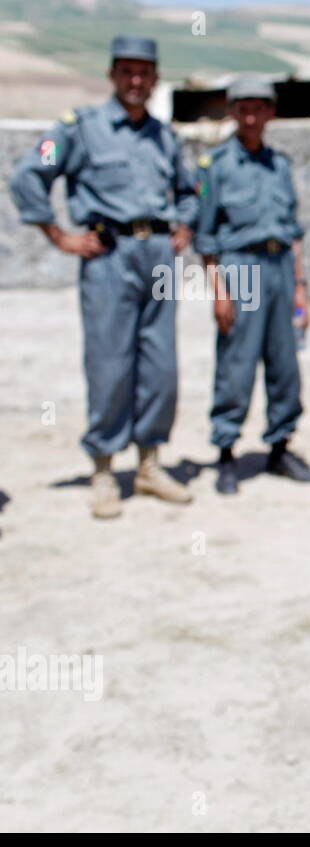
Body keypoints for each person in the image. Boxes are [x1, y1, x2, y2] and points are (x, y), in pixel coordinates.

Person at [10, 35, 197, 519]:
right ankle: (103, 470)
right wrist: (59, 235)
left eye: (145, 73)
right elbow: (29, 174)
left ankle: (151, 464)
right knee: (110, 364)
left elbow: (189, 189)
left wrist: (184, 224)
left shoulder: (165, 136)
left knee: (160, 366)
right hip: (109, 256)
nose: (136, 81)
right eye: (127, 71)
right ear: (113, 75)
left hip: (158, 256)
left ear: (155, 80)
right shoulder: (80, 129)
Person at [193, 76, 310, 495]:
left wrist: (301, 287)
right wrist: (219, 291)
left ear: (271, 113)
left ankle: (280, 447)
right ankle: (226, 453)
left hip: (280, 266)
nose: (250, 115)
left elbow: (294, 231)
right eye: (242, 107)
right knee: (236, 366)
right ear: (232, 112)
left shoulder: (280, 165)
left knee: (285, 366)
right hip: (240, 268)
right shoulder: (216, 167)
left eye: (259, 107)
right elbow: (205, 238)